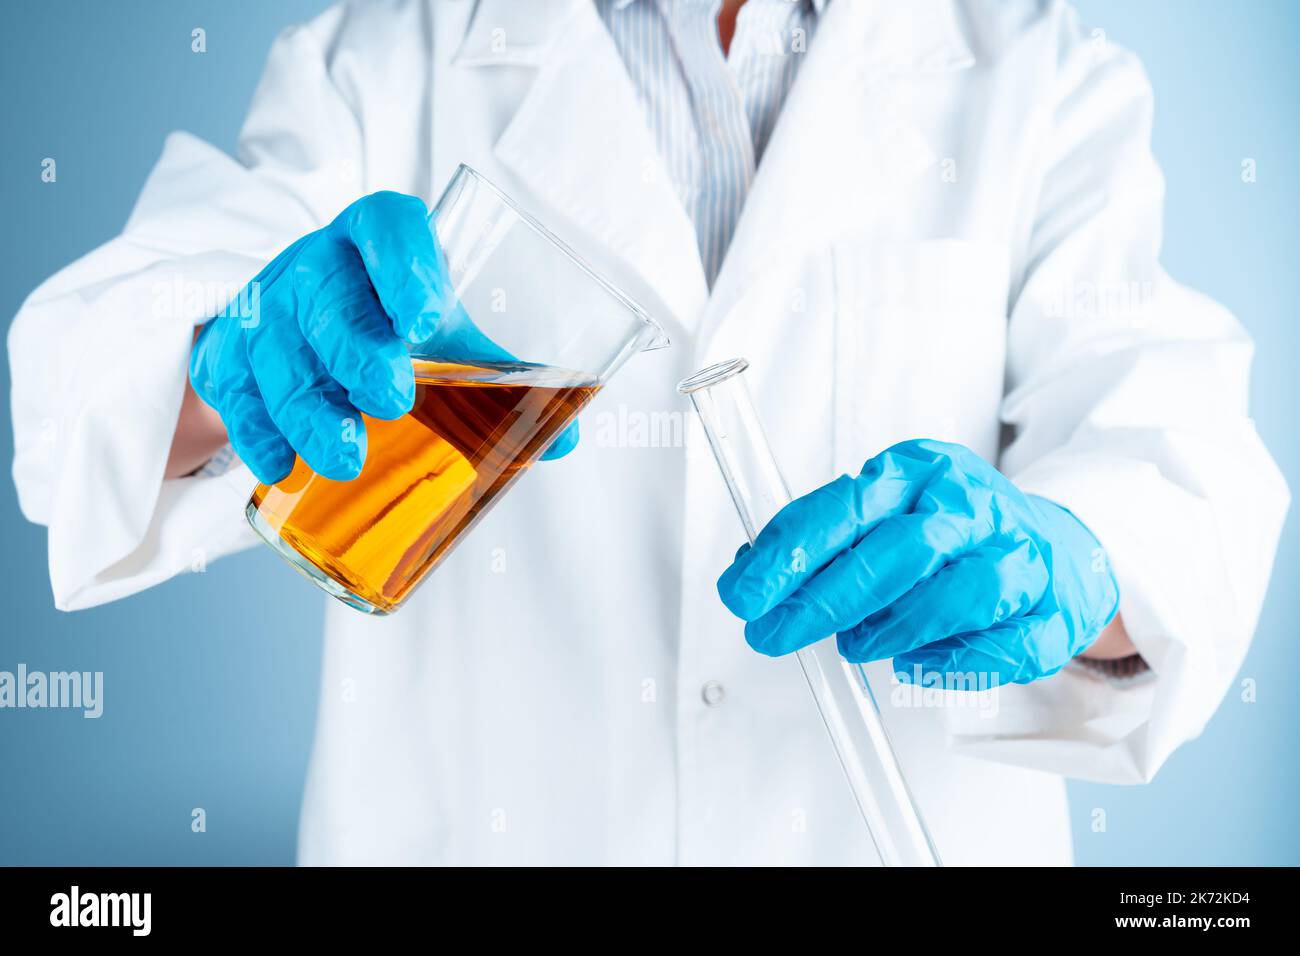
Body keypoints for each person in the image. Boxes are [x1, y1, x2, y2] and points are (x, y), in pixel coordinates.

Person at [8, 0, 1288, 866]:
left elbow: (1177, 460)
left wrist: (1073, 558)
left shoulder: (1034, 65)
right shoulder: (392, 51)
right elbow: (95, 356)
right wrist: (229, 353)